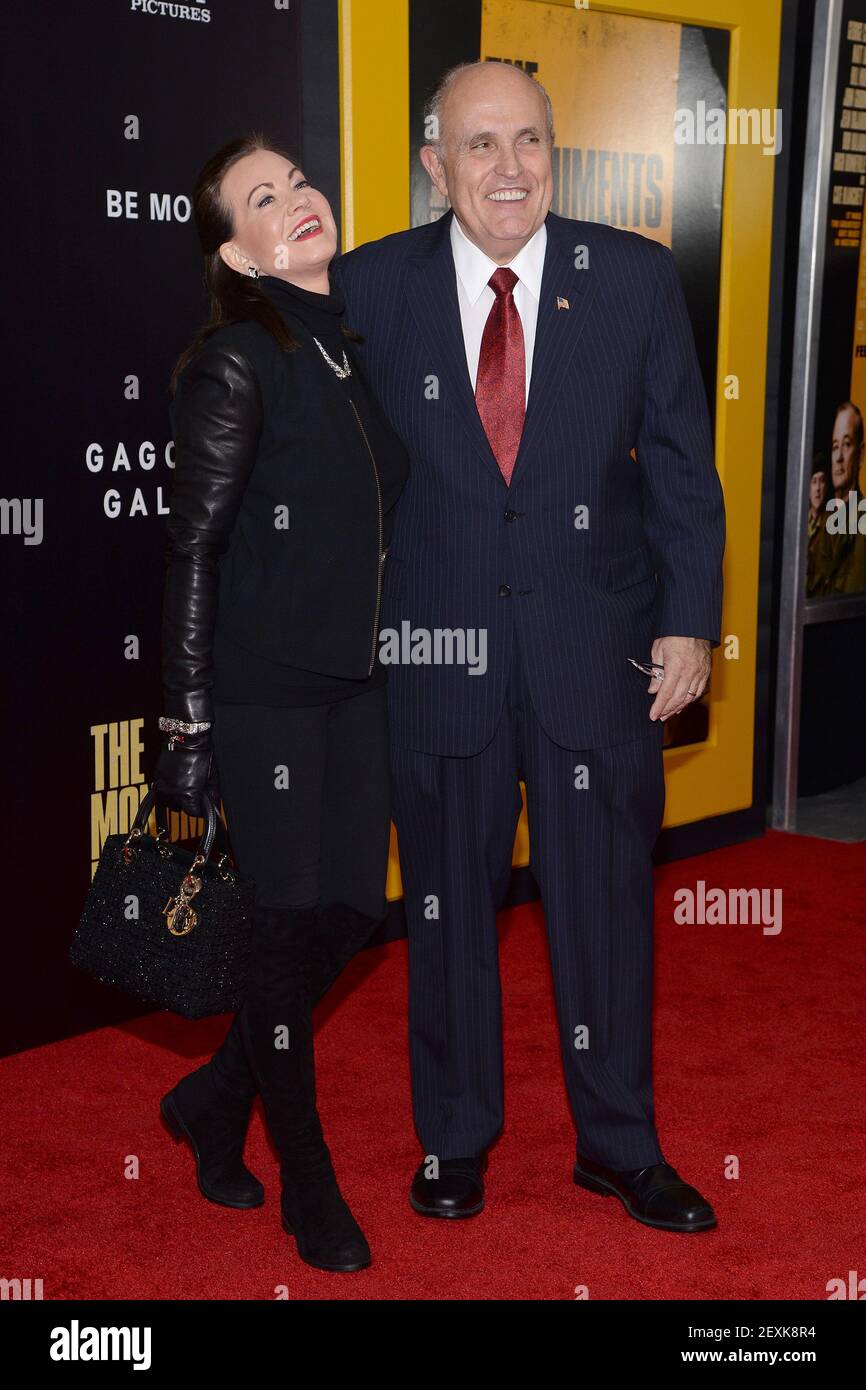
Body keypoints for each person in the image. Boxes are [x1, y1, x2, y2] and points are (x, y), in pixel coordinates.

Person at [332, 61, 726, 1232]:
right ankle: (453, 1139)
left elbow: (682, 472)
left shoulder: (635, 279)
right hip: (434, 659)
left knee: (604, 909)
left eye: (529, 142)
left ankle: (619, 1145)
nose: (509, 168)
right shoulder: (367, 286)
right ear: (432, 163)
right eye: (481, 144)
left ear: (555, 151)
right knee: (447, 907)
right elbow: (336, 481)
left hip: (589, 657)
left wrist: (686, 618)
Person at [153, 134, 409, 1272]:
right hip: (265, 693)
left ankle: (214, 1095)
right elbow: (192, 550)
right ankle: (307, 1183)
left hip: (358, 684)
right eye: (264, 198)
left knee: (351, 907)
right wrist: (189, 722)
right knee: (285, 920)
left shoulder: (343, 343)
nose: (297, 199)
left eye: (298, 180)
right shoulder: (237, 359)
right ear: (234, 249)